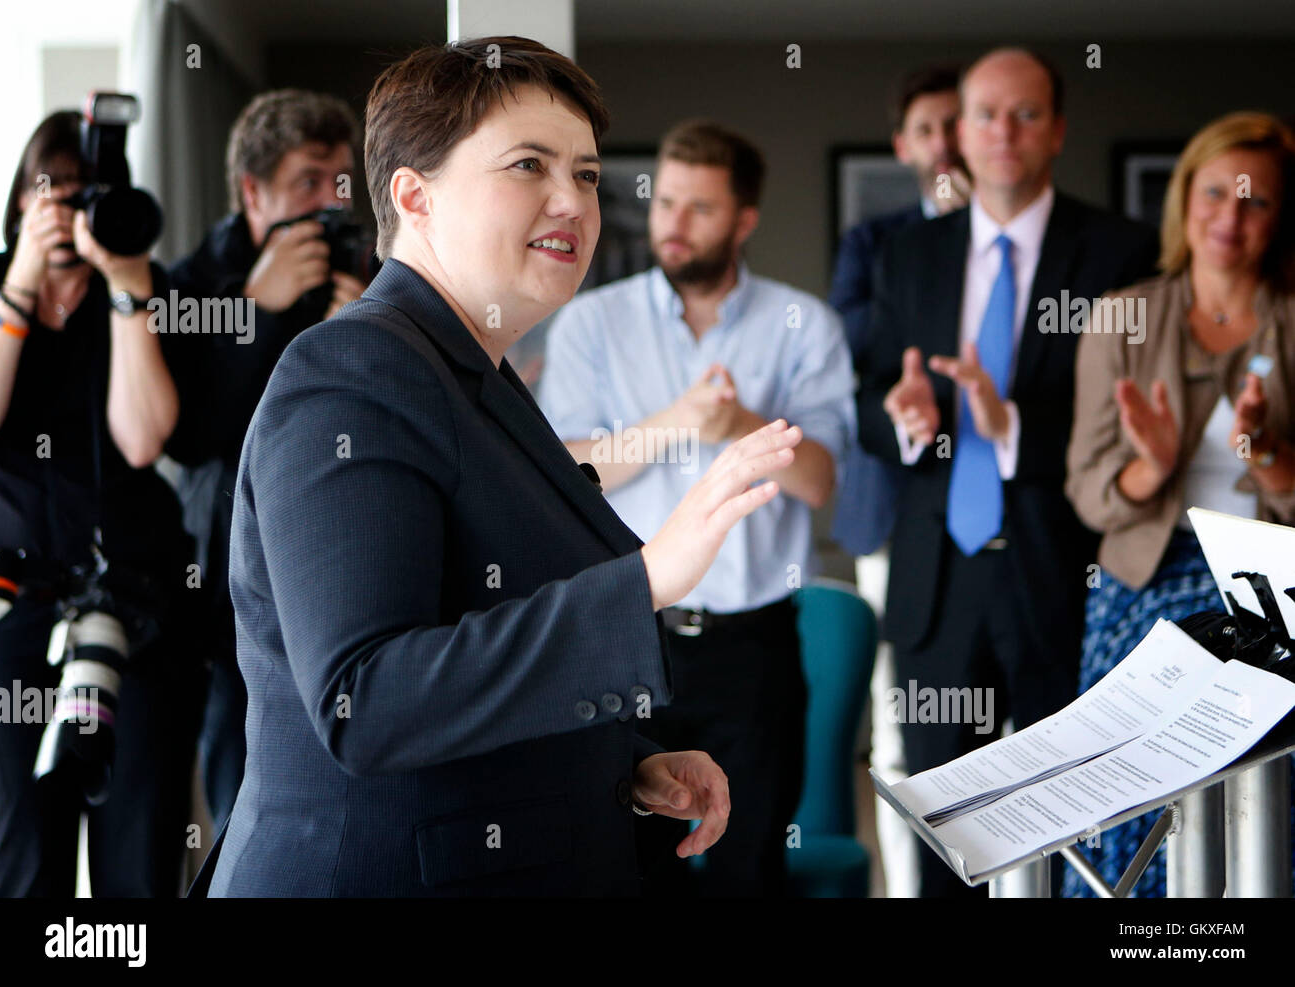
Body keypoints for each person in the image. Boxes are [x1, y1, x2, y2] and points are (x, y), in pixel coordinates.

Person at [197, 37, 805, 898]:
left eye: (589, 175)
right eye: (529, 165)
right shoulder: (350, 371)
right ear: (415, 196)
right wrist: (648, 580)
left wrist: (625, 764)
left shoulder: (480, 376)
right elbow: (364, 700)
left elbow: (479, 628)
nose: (574, 201)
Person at [855, 47, 1159, 897]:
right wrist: (906, 419)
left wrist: (1010, 425)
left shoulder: (1119, 253)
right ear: (958, 132)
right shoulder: (910, 254)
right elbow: (873, 395)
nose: (1001, 131)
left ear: (1057, 130)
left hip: (1062, 575)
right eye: (983, 114)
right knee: (946, 834)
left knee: (1078, 823)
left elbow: (1131, 418)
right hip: (934, 586)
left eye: (1025, 113)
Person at [540, 120, 855, 896]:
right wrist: (681, 421)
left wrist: (739, 423)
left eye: (699, 208)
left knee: (753, 869)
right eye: (664, 202)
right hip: (626, 635)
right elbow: (570, 471)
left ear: (744, 219)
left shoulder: (804, 325)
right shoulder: (592, 320)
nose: (672, 225)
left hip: (757, 649)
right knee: (622, 864)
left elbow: (822, 483)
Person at [1065, 111, 1295, 897]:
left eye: (1256, 201)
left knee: (1265, 799)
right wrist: (1152, 466)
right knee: (1135, 789)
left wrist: (1264, 452)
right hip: (1143, 584)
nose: (1230, 218)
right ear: (1183, 200)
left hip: (1270, 593)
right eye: (1215, 194)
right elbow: (1089, 491)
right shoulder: (1120, 318)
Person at [0, 111, 200, 896]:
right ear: (22, 204)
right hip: (14, 613)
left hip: (137, 605)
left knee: (139, 862)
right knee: (21, 856)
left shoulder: (147, 290)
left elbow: (143, 438)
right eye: (57, 195)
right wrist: (19, 284)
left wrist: (125, 288)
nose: (79, 214)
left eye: (93, 198)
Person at [160, 89, 363, 835]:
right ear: (253, 190)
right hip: (224, 581)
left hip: (339, 557)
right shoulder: (187, 285)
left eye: (340, 181)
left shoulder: (361, 270)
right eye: (308, 181)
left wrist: (358, 335)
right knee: (242, 787)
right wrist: (253, 309)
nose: (330, 201)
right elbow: (186, 436)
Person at [827, 62, 964, 899]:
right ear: (902, 145)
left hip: (1003, 522)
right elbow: (851, 358)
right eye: (928, 129)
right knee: (902, 731)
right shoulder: (874, 246)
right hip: (898, 518)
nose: (945, 141)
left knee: (1015, 727)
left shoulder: (1030, 246)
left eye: (958, 123)